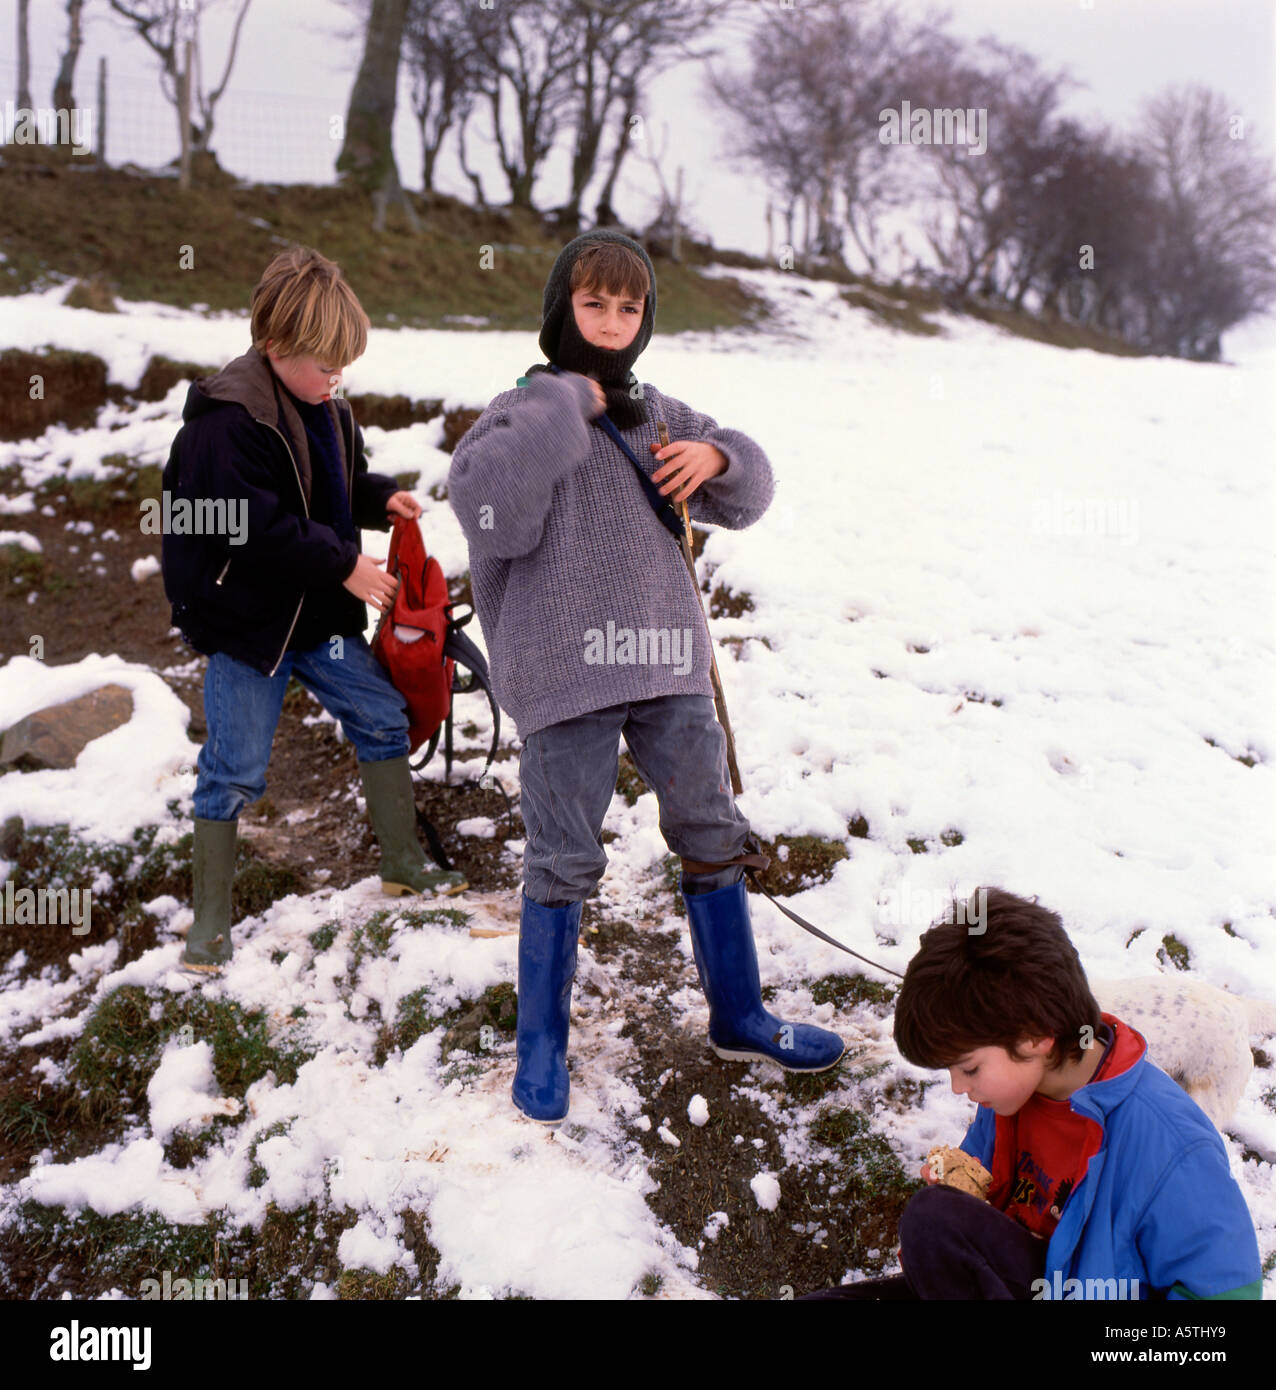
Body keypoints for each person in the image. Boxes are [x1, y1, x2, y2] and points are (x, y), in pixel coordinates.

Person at [447, 229, 845, 1123]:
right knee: (564, 856)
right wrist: (561, 409)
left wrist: (722, 457)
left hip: (667, 662)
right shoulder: (513, 417)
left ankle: (739, 1014)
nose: (614, 322)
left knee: (710, 826)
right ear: (561, 310)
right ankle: (542, 1042)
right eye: (595, 303)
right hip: (562, 674)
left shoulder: (659, 413)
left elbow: (750, 494)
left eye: (630, 307)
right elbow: (489, 514)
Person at [161, 245, 464, 975]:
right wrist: (344, 567)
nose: (336, 379)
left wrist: (378, 495)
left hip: (319, 623)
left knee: (383, 716)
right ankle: (208, 925)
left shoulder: (329, 408)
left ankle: (402, 862)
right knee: (234, 768)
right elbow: (250, 527)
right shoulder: (224, 426)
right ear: (273, 347)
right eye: (325, 365)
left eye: (343, 366)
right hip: (251, 630)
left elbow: (338, 483)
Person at [801, 888, 1262, 1300]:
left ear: (1035, 1037)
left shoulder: (1171, 1146)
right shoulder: (1014, 1095)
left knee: (933, 1219)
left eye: (969, 1068)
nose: (959, 1088)